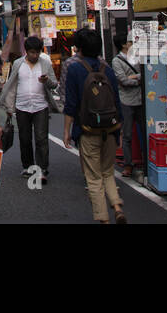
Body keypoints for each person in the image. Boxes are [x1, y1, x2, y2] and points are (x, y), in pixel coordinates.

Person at [63, 27, 126, 224]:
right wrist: (120, 129)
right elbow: (116, 100)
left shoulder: (74, 69)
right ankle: (116, 206)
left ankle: (103, 219)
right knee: (107, 171)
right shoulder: (107, 68)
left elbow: (71, 105)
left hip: (88, 129)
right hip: (110, 127)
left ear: (78, 48)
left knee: (93, 176)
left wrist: (67, 131)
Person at [0, 34, 58, 181]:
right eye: (32, 52)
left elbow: (54, 84)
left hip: (40, 106)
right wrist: (9, 107)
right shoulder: (18, 64)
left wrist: (47, 81)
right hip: (22, 106)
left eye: (37, 52)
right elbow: (12, 86)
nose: (35, 55)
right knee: (25, 138)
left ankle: (42, 169)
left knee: (41, 138)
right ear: (26, 51)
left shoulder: (45, 63)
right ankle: (28, 166)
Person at [112, 36, 146, 177]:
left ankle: (146, 162)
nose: (132, 44)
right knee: (127, 134)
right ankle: (128, 164)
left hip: (140, 99)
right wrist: (138, 79)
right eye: (129, 42)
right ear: (123, 44)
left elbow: (145, 73)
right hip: (126, 100)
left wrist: (134, 77)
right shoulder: (116, 61)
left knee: (144, 131)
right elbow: (123, 80)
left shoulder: (137, 57)